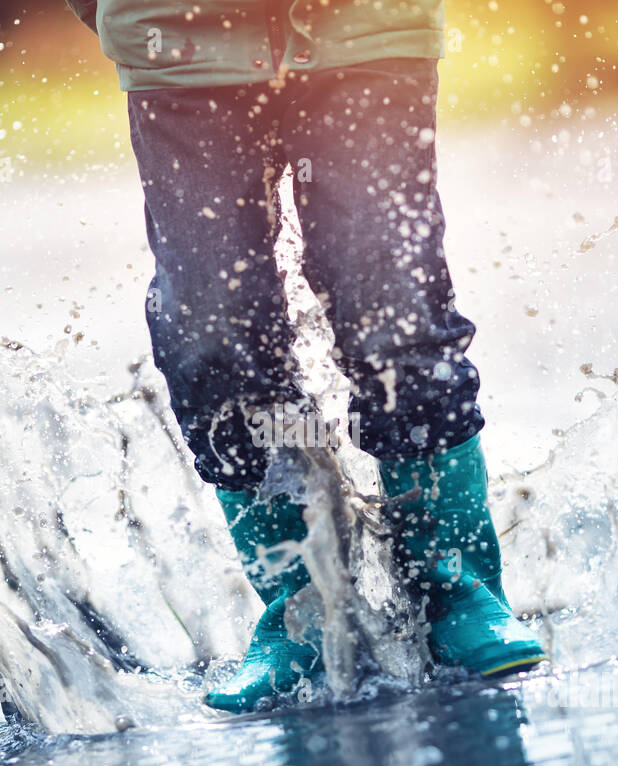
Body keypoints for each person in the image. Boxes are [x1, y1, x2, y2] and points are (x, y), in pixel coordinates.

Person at [65, 0, 546, 713]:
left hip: (369, 32)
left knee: (396, 310)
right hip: (178, 44)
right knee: (212, 339)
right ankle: (300, 610)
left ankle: (455, 587)